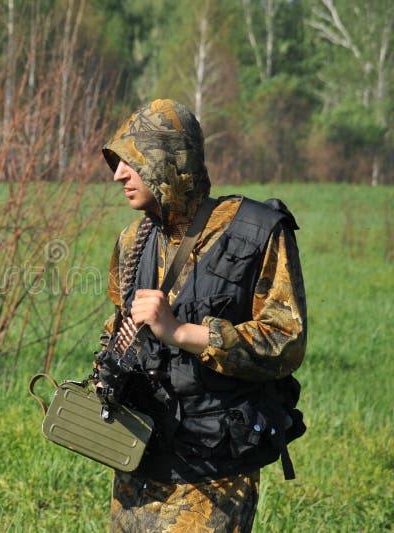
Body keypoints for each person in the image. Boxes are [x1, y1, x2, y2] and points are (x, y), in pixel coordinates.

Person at [94, 99, 307, 532]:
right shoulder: (133, 239)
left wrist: (180, 332)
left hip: (214, 469)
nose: (118, 174)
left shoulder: (257, 232)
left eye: (132, 161)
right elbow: (116, 328)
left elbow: (285, 342)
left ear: (166, 163)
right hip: (138, 457)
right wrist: (106, 372)